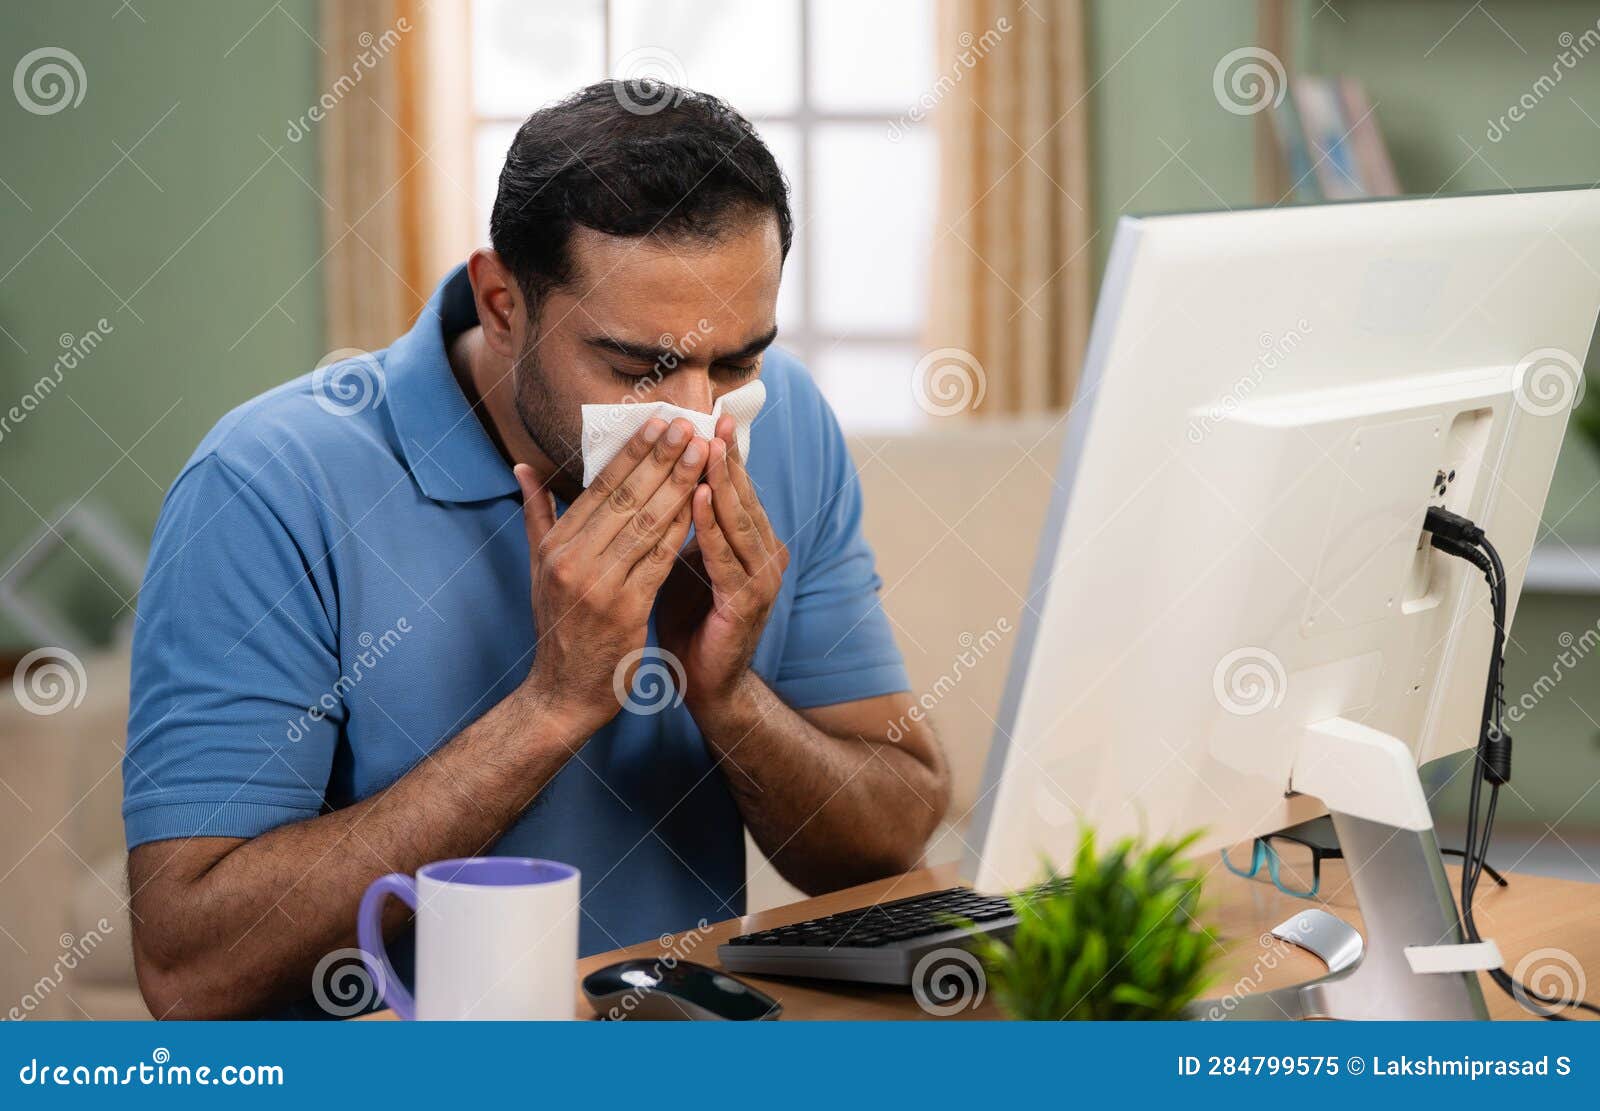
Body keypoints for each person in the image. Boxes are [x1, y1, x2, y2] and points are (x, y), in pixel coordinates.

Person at [122, 81, 950, 1019]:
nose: (693, 423)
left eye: (737, 361)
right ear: (502, 300)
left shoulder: (787, 421)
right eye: (640, 367)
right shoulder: (269, 482)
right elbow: (190, 970)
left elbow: (895, 835)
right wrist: (552, 708)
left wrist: (728, 697)